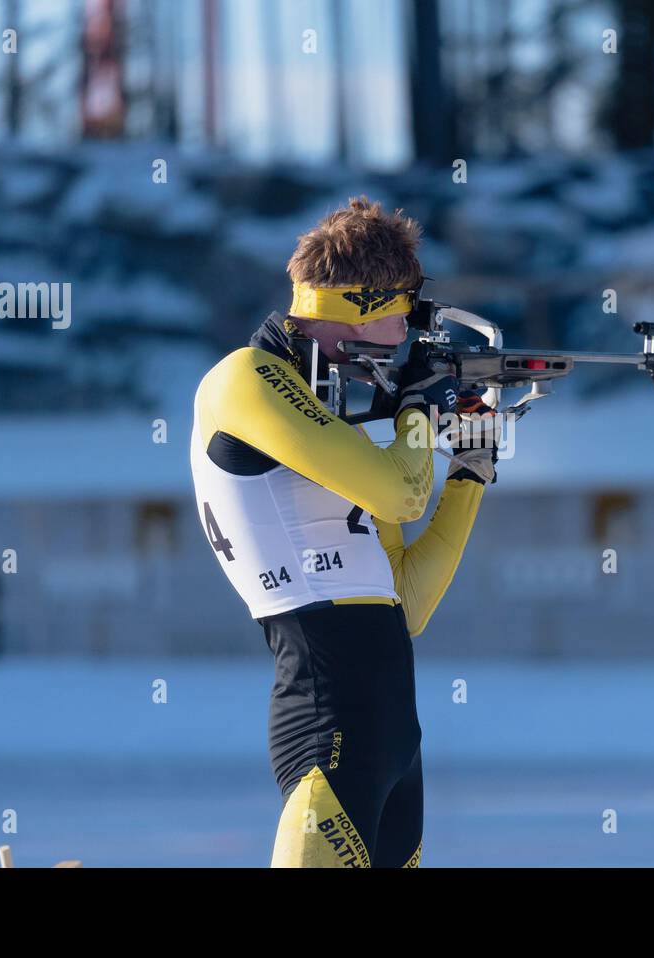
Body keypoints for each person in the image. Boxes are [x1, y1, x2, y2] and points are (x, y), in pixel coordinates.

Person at [189, 197, 499, 867]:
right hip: (328, 716)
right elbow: (401, 490)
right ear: (360, 308)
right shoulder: (243, 379)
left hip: (395, 739)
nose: (410, 342)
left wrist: (472, 469)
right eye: (405, 321)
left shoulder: (336, 426)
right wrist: (417, 410)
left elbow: (405, 604)